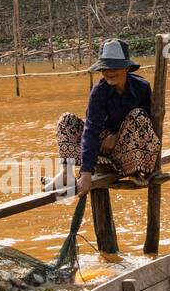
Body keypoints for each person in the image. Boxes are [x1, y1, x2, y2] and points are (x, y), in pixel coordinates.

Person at [56, 39, 161, 196]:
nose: (109, 72)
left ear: (126, 68)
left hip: (126, 151)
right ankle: (65, 172)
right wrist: (86, 173)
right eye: (105, 68)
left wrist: (116, 135)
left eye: (114, 67)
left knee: (139, 115)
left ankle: (133, 169)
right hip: (101, 151)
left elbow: (148, 126)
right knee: (67, 120)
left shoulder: (142, 88)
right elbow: (91, 130)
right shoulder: (99, 92)